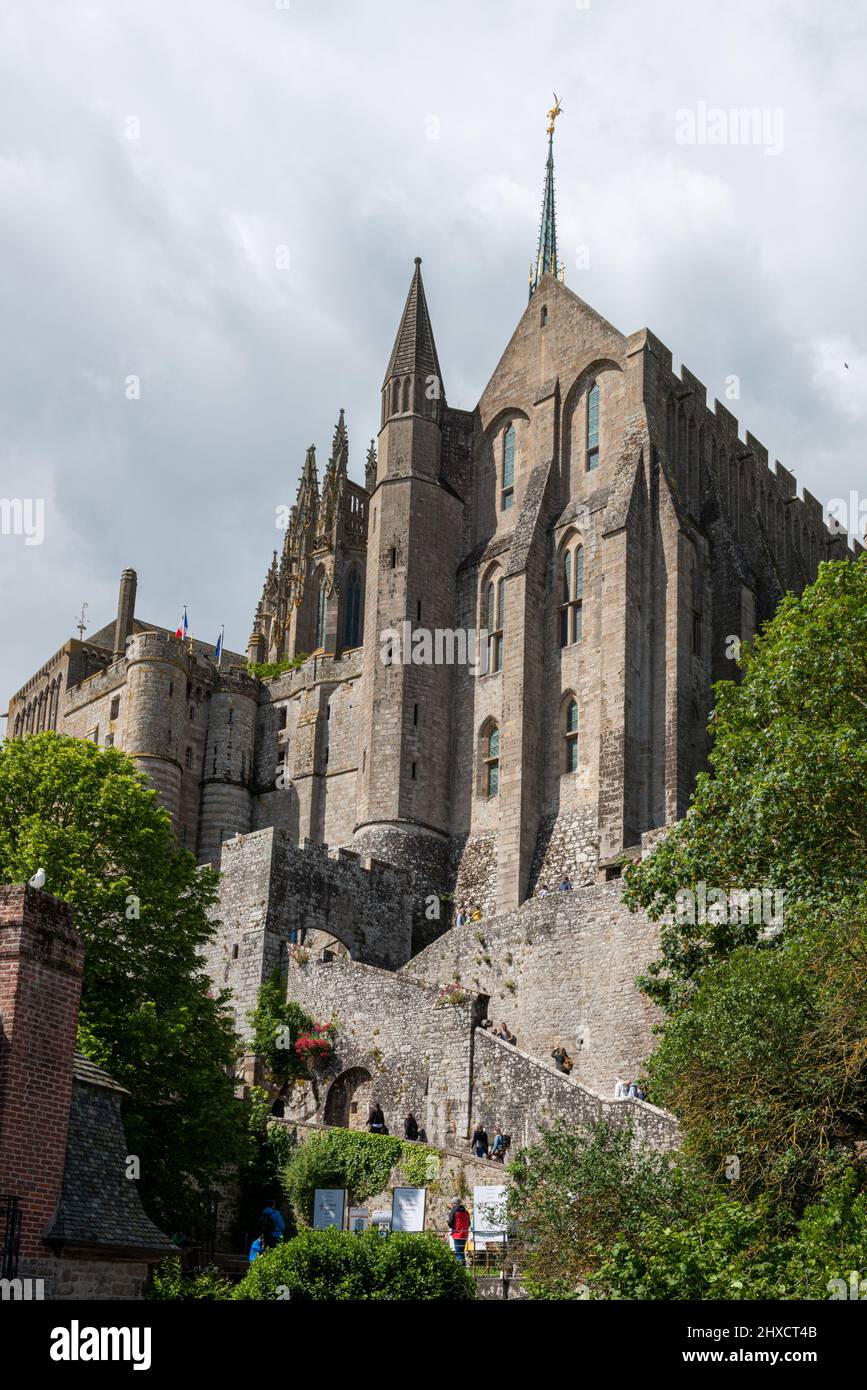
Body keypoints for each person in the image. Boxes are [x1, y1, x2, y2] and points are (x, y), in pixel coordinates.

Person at [447, 1198, 471, 1265]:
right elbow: (469, 1223)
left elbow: (450, 1224)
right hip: (465, 1234)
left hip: (458, 1235)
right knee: (461, 1252)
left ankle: (460, 1270)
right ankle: (464, 1270)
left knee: (458, 1253)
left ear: (453, 1204)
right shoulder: (466, 1212)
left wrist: (448, 1222)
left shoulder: (454, 1211)